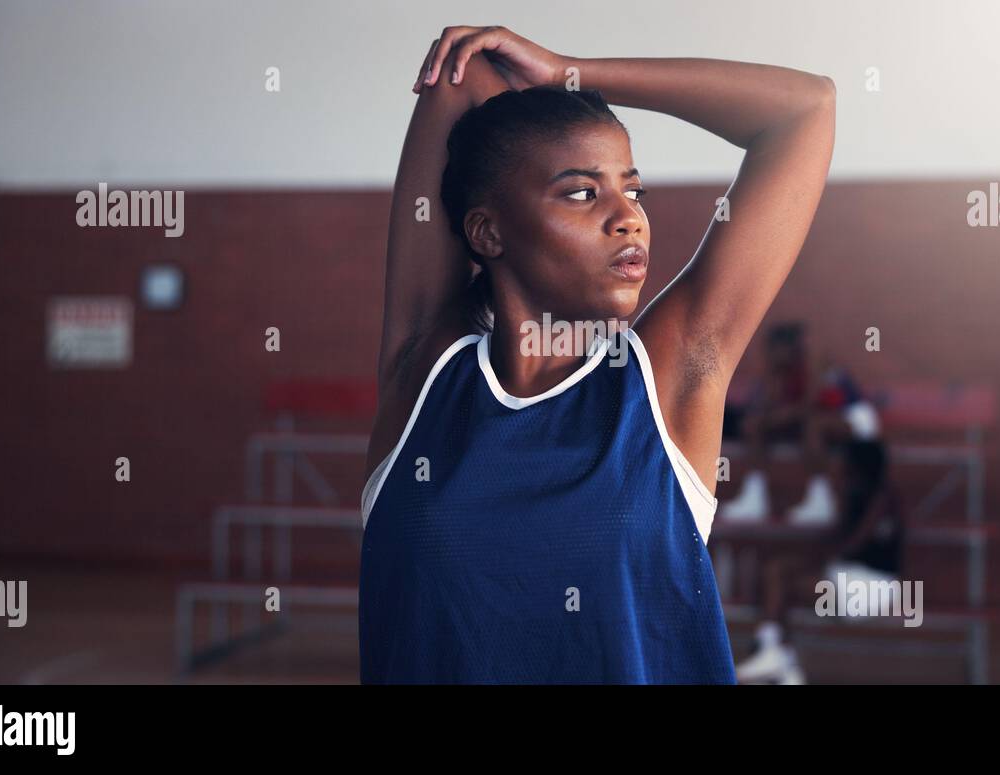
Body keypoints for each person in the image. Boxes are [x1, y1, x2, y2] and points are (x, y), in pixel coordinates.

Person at [358, 25, 835, 683]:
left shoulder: (666, 381)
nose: (628, 217)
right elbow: (460, 76)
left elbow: (803, 110)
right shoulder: (426, 380)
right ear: (488, 230)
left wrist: (570, 73)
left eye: (632, 189)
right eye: (583, 192)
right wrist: (544, 98)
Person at [735, 437, 905, 684]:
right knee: (777, 573)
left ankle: (777, 655)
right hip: (851, 578)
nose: (837, 465)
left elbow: (853, 543)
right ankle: (776, 653)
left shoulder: (882, 497)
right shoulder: (856, 493)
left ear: (856, 466)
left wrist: (818, 559)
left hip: (871, 589)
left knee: (782, 584)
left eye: (843, 461)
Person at [721, 323, 883, 525]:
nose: (768, 356)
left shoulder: (815, 361)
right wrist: (772, 383)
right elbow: (767, 405)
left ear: (787, 348)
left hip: (853, 417)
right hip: (815, 417)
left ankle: (821, 499)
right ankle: (755, 495)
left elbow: (810, 404)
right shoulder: (780, 370)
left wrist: (777, 418)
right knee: (754, 426)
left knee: (813, 426)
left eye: (772, 350)